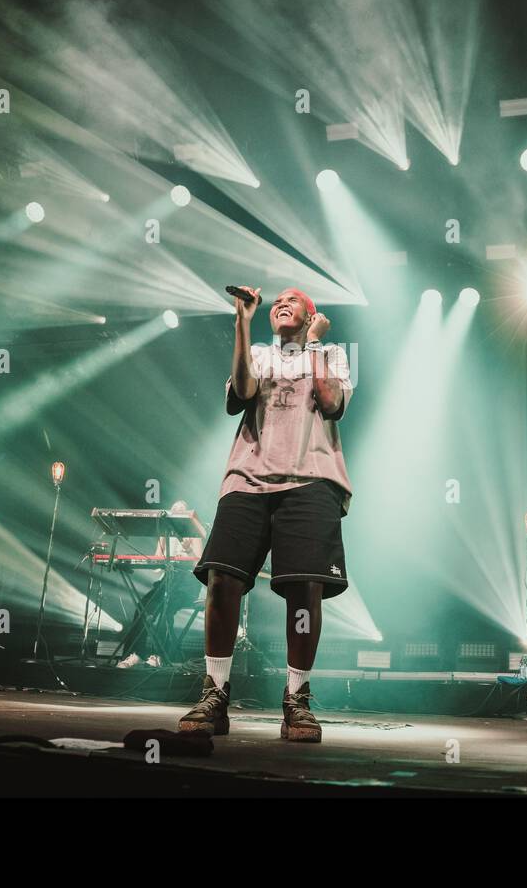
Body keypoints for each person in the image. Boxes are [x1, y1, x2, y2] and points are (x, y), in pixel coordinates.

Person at [178, 287, 353, 743]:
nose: (281, 303)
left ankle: (297, 699)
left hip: (311, 480)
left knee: (304, 590)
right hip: (248, 477)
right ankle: (215, 692)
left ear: (312, 316)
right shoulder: (257, 352)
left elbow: (330, 401)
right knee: (221, 578)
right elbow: (241, 392)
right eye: (276, 300)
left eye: (293, 300)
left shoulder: (331, 353)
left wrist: (313, 343)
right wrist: (242, 319)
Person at [117, 500, 206, 669]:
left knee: (166, 610)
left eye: (180, 510)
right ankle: (135, 654)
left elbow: (198, 565)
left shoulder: (193, 533)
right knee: (142, 607)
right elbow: (157, 561)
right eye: (174, 510)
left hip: (187, 584)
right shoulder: (165, 533)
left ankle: (159, 655)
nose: (176, 513)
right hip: (167, 582)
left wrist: (187, 550)